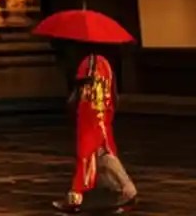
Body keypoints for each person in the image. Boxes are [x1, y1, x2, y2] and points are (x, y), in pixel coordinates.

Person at [54, 53, 138, 213]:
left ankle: (77, 196)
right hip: (99, 113)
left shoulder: (91, 63)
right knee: (101, 151)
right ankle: (124, 189)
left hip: (91, 113)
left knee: (89, 153)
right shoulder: (102, 62)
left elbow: (86, 90)